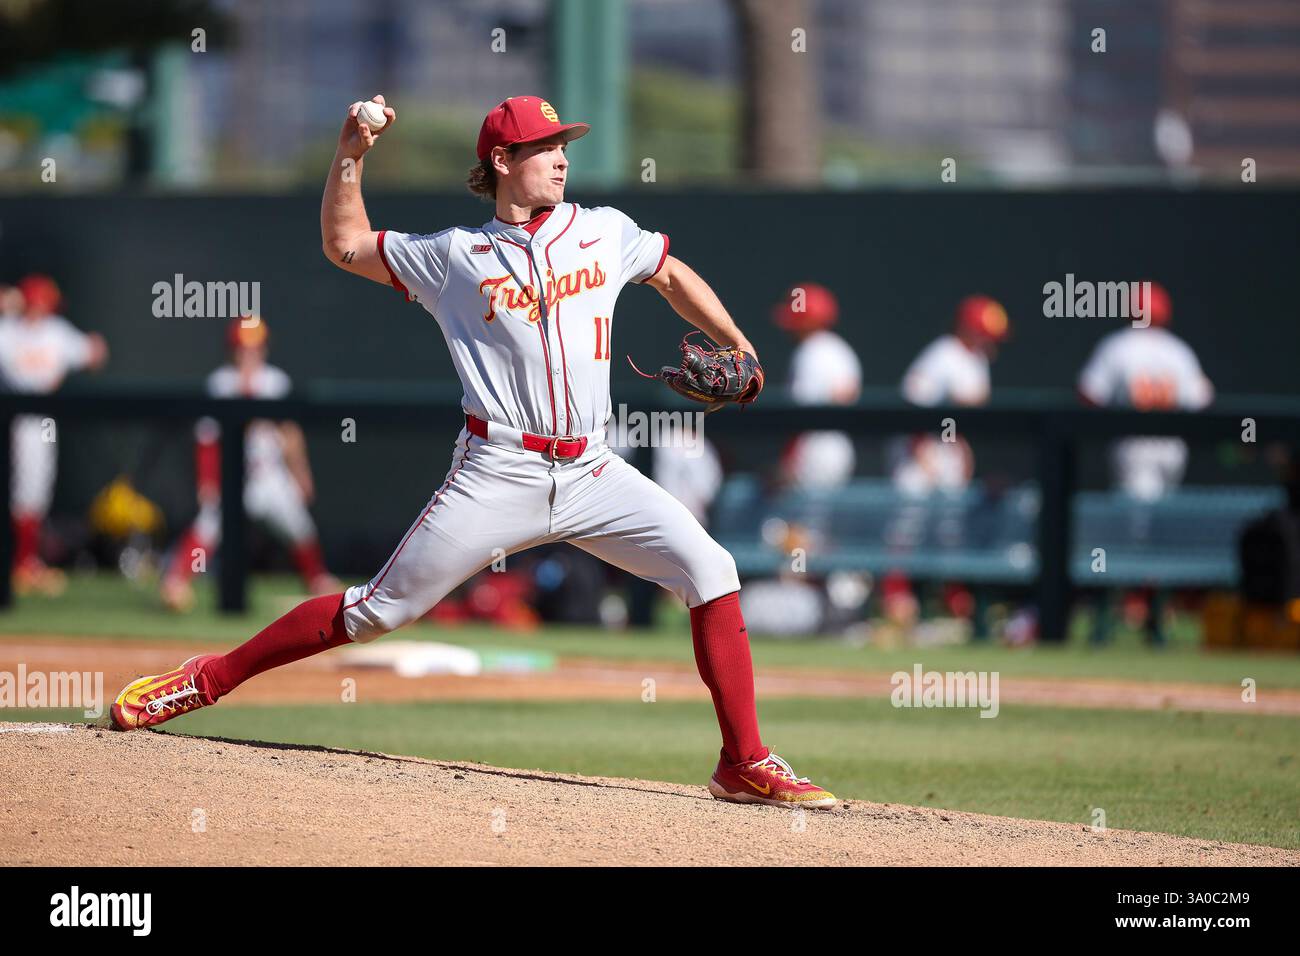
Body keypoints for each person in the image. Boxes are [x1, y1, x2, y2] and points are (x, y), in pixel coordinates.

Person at [109, 94, 836, 809]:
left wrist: (739, 345)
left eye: (563, 146)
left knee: (712, 569)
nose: (561, 159)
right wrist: (350, 158)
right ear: (501, 159)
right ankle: (206, 679)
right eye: (545, 148)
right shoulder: (456, 257)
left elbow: (671, 275)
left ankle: (743, 761)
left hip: (593, 468)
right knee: (375, 612)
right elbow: (345, 245)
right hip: (500, 469)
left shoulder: (603, 230)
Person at [160, 315, 340, 611]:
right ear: (233, 349)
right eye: (243, 348)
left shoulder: (275, 381)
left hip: (269, 476)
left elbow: (289, 432)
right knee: (206, 527)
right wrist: (207, 480)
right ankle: (176, 582)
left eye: (255, 349)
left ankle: (317, 579)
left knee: (299, 527)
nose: (249, 355)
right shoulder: (220, 383)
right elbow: (207, 438)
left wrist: (301, 473)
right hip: (234, 477)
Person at [0, 275, 108, 595]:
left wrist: (87, 350)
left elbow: (96, 353)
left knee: (37, 489)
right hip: (14, 417)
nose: (40, 310)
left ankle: (26, 562)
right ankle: (21, 563)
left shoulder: (55, 332)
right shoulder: (8, 331)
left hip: (42, 422)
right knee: (23, 492)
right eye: (36, 304)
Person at [1077, 281, 1213, 501]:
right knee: (1164, 518)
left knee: (1136, 524)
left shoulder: (1118, 345)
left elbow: (1088, 394)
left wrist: (1107, 422)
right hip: (1172, 446)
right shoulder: (1179, 351)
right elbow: (1203, 400)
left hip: (1132, 445)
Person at [894, 294, 1009, 495]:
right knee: (911, 515)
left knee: (950, 520)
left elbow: (959, 414)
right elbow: (912, 405)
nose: (988, 341)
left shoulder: (977, 360)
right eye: (984, 334)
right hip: (920, 446)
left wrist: (962, 449)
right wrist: (920, 450)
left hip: (947, 443)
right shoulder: (942, 354)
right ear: (967, 329)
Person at [773, 282, 861, 489]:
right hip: (839, 449)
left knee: (803, 520)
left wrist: (789, 460)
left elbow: (801, 413)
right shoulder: (840, 349)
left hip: (813, 452)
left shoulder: (810, 352)